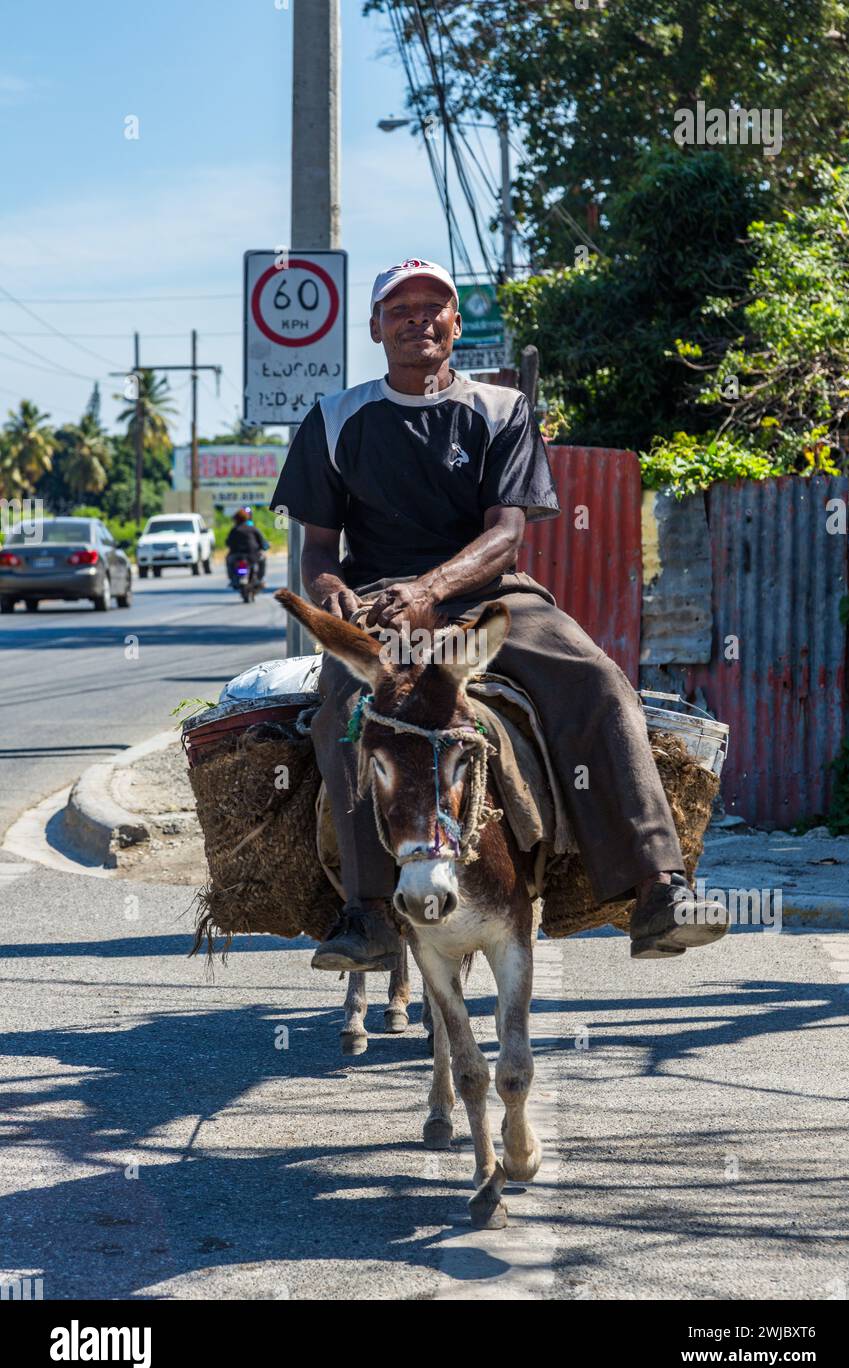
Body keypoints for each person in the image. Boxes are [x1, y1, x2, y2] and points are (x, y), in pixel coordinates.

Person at [269, 256, 730, 972]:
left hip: (489, 591)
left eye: (433, 308)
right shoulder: (334, 419)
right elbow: (320, 549)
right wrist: (333, 595)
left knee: (598, 681)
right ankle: (366, 911)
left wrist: (434, 587)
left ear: (456, 324)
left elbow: (507, 532)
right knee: (341, 709)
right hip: (382, 601)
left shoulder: (501, 409)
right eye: (400, 311)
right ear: (375, 328)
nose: (417, 321)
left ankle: (658, 887)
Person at [225, 507, 269, 586]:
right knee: (263, 558)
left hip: (236, 556)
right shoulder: (253, 529)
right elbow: (262, 542)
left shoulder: (234, 530)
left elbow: (228, 542)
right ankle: (259, 578)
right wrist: (264, 546)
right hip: (252, 556)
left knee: (228, 559)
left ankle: (232, 579)